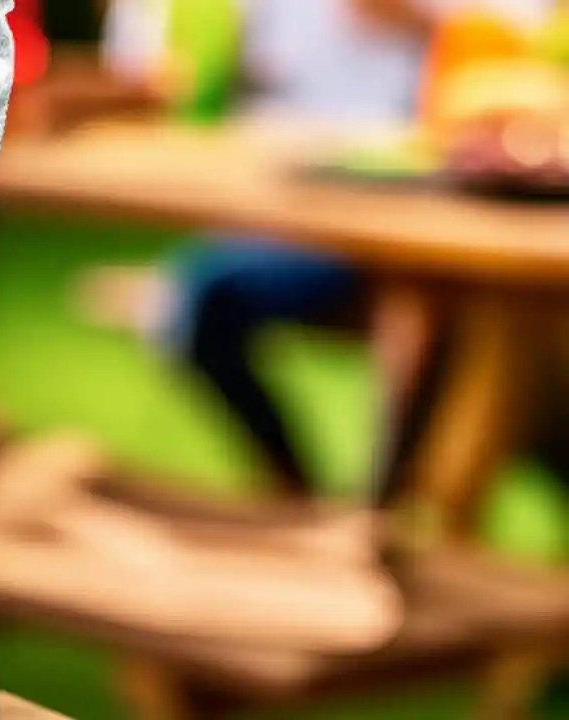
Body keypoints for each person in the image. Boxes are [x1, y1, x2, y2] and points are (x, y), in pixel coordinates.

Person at [83, 0, 553, 497]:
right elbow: (176, 70)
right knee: (197, 300)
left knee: (421, 305)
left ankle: (376, 513)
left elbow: (516, 43)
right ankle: (298, 494)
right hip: (291, 215)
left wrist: (422, 21)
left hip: (416, 227)